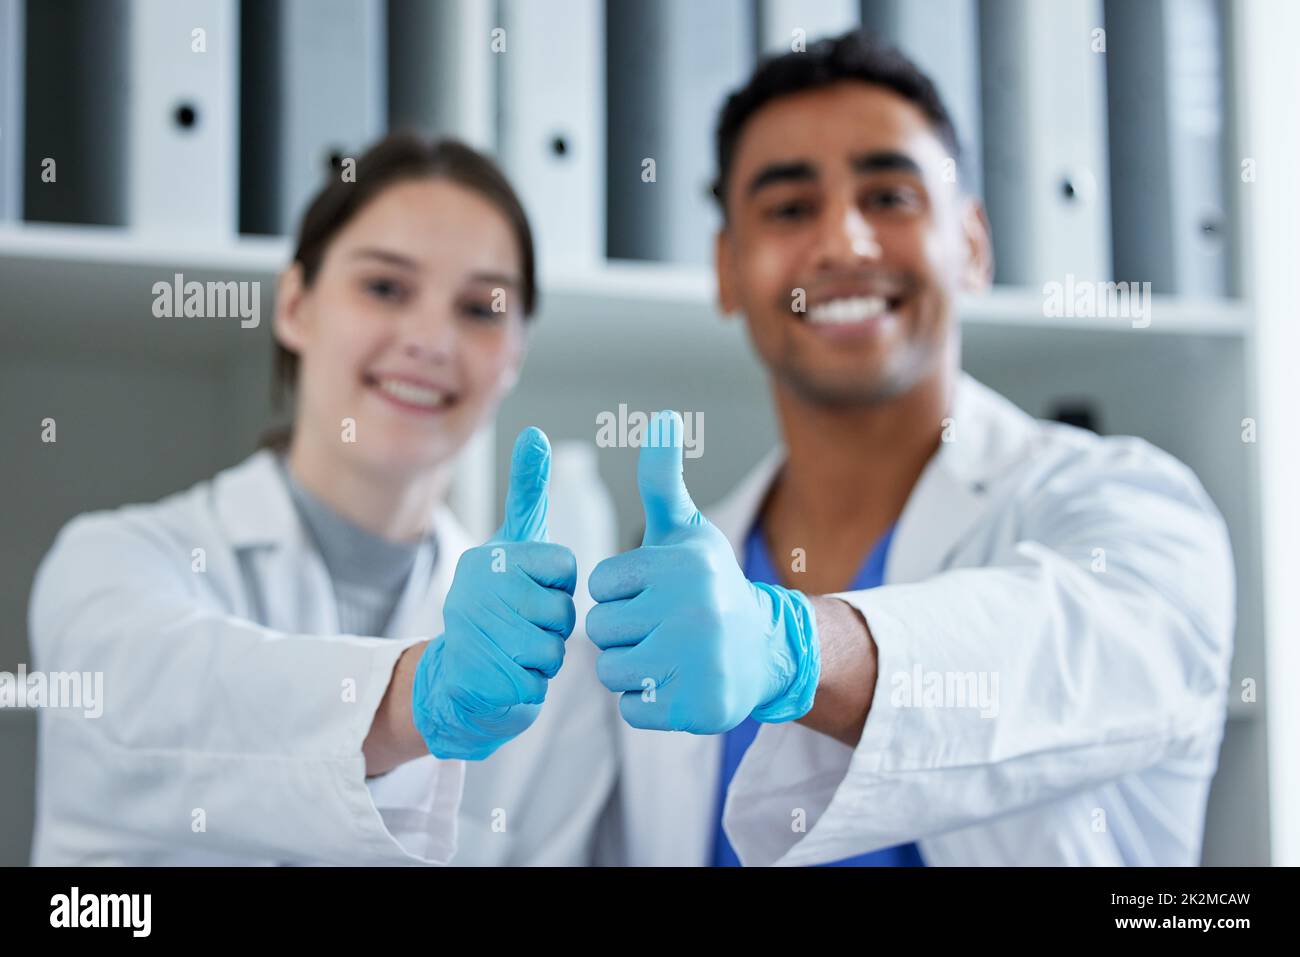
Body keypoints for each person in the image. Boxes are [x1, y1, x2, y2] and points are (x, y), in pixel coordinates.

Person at [587, 31, 1236, 866]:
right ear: (727, 269)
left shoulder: (1129, 504)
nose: (846, 244)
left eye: (889, 196)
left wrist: (799, 649)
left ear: (970, 242)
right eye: (789, 208)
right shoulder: (664, 596)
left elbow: (1074, 657)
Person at [28, 134, 616, 865]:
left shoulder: (550, 653)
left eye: (480, 307)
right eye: (385, 288)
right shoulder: (113, 563)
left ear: (517, 352)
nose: (431, 339)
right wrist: (410, 696)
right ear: (297, 305)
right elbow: (162, 697)